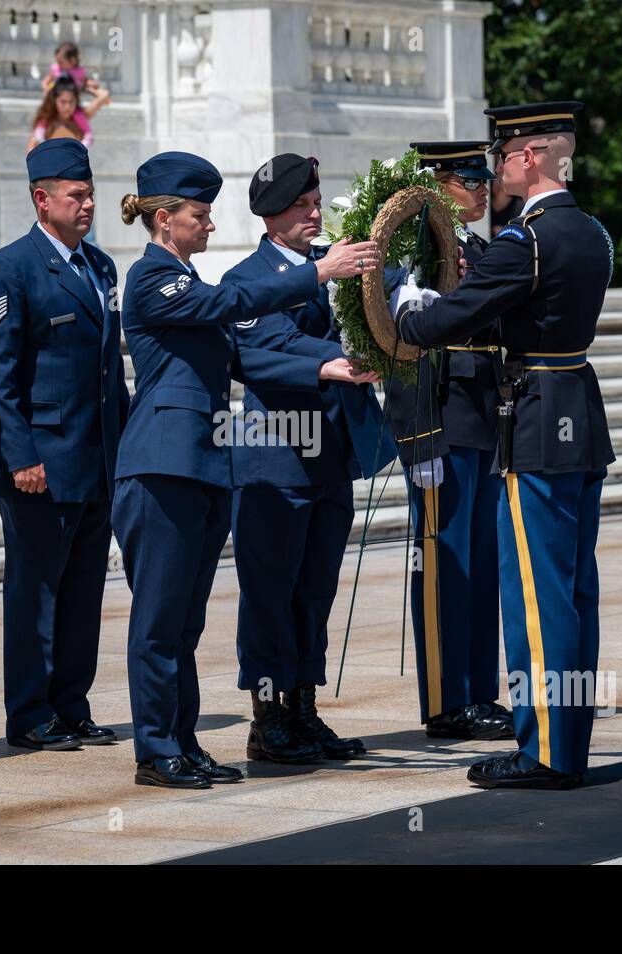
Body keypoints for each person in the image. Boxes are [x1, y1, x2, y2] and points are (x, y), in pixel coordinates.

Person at [113, 151, 381, 789]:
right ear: (163, 218)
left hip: (206, 462)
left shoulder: (189, 283)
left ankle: (183, 742)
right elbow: (235, 300)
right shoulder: (152, 278)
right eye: (199, 214)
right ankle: (157, 749)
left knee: (186, 620)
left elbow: (245, 349)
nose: (210, 224)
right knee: (159, 619)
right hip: (161, 463)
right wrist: (318, 273)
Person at [394, 102, 615, 790]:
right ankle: (567, 742)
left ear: (531, 156)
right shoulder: (593, 233)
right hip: (580, 410)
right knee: (575, 590)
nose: (498, 168)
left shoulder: (527, 240)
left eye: (505, 155)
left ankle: (544, 752)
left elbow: (454, 319)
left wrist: (404, 312)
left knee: (536, 596)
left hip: (537, 420)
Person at [224, 154, 397, 763]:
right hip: (276, 458)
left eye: (317, 202)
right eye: (301, 205)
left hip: (330, 455)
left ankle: (303, 709)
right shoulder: (248, 278)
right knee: (270, 593)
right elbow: (269, 345)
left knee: (315, 590)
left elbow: (382, 289)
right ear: (271, 216)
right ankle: (267, 720)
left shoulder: (333, 262)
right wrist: (332, 361)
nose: (314, 213)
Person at [0, 139, 129, 753]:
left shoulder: (100, 267)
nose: (87, 205)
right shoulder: (8, 270)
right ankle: (30, 712)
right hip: (39, 465)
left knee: (84, 592)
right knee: (36, 592)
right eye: (75, 195)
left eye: (90, 194)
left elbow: (109, 374)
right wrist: (20, 456)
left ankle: (70, 704)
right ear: (41, 199)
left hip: (95, 460)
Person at [383, 141, 515, 744]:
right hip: (442, 421)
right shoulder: (414, 255)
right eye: (468, 180)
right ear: (437, 185)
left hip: (484, 419)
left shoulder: (481, 250)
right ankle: (445, 700)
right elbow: (403, 347)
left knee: (482, 562)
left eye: (483, 179)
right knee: (444, 563)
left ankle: (479, 692)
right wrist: (417, 438)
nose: (482, 189)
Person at [27, 75, 110, 152]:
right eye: (63, 102)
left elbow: (104, 94)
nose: (67, 107)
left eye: (71, 101)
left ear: (76, 101)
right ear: (54, 100)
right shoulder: (46, 119)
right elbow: (31, 149)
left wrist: (86, 88)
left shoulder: (83, 115)